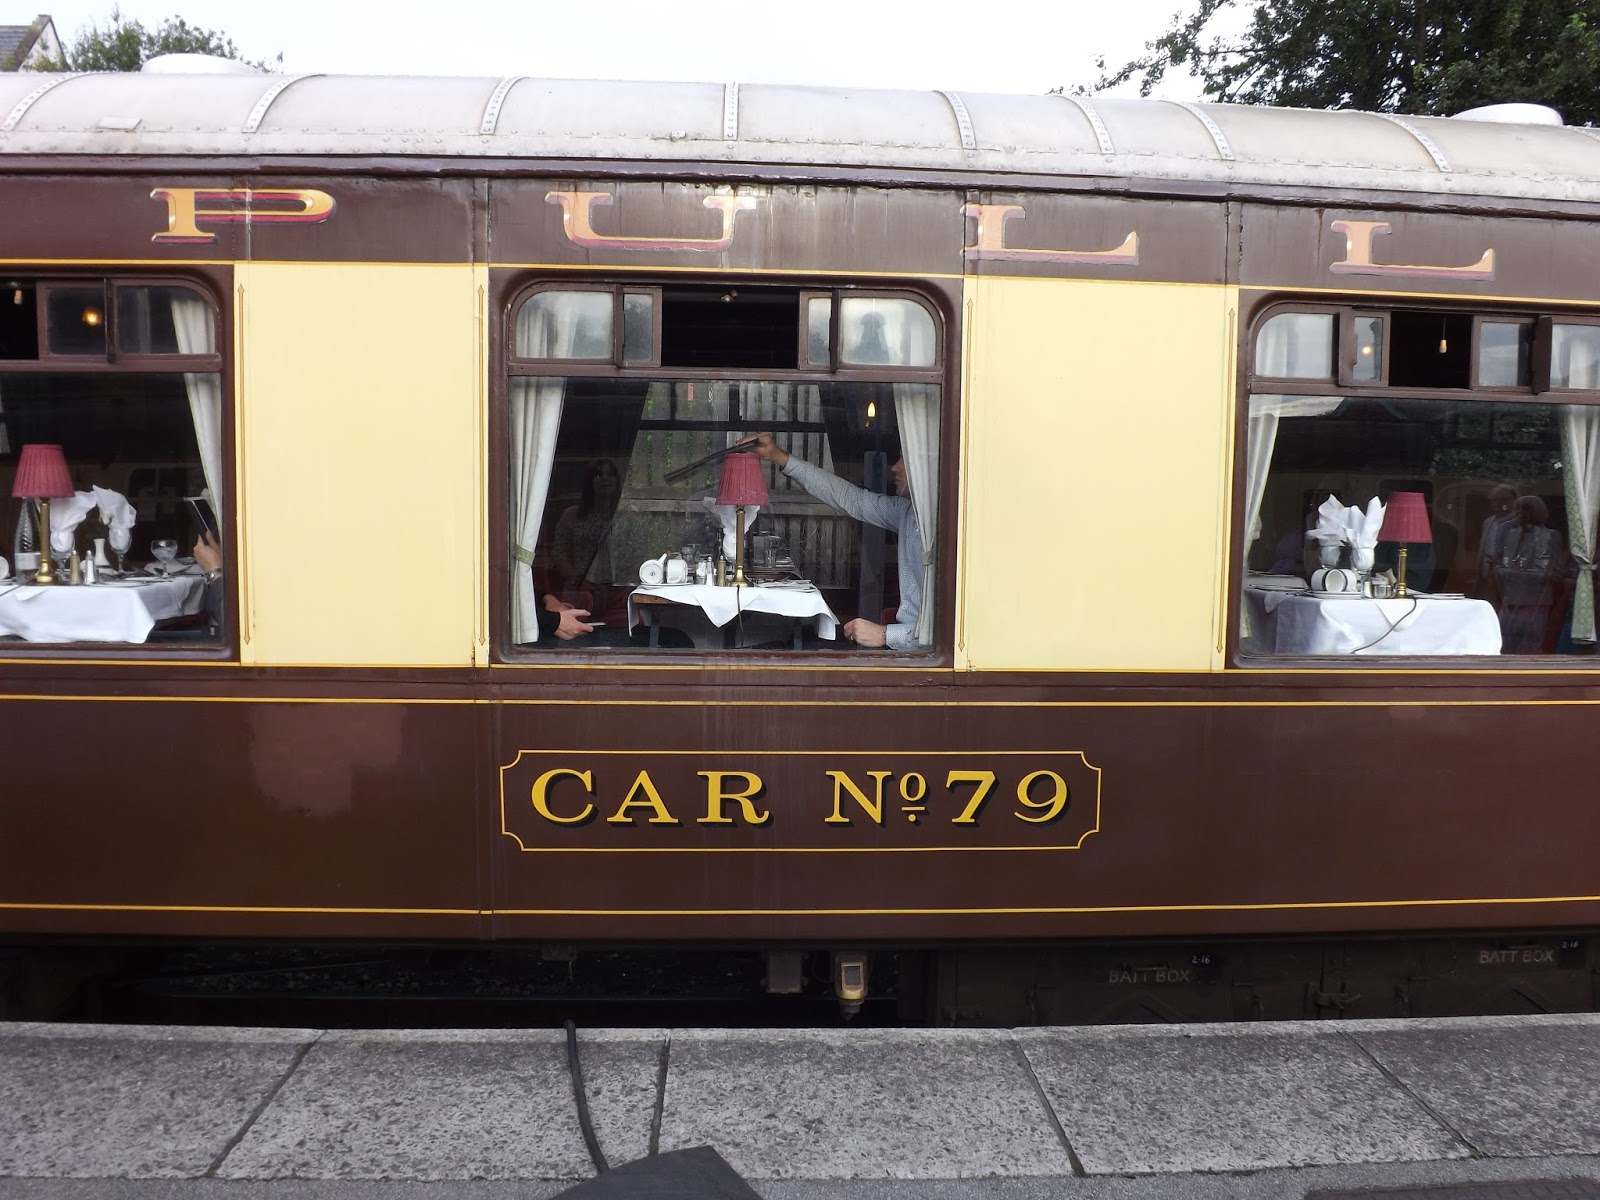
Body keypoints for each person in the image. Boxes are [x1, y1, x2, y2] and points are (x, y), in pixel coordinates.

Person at [746, 433, 923, 650]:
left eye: (904, 459)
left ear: (927, 466)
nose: (894, 467)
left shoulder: (956, 532)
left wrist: (886, 635)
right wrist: (779, 457)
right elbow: (851, 498)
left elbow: (953, 633)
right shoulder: (907, 513)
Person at [553, 459, 621, 613]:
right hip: (579, 591)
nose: (604, 478)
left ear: (617, 481)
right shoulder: (571, 515)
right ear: (589, 482)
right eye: (598, 474)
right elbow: (559, 554)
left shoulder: (626, 516)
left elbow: (633, 556)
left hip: (616, 594)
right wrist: (580, 581)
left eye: (610, 474)